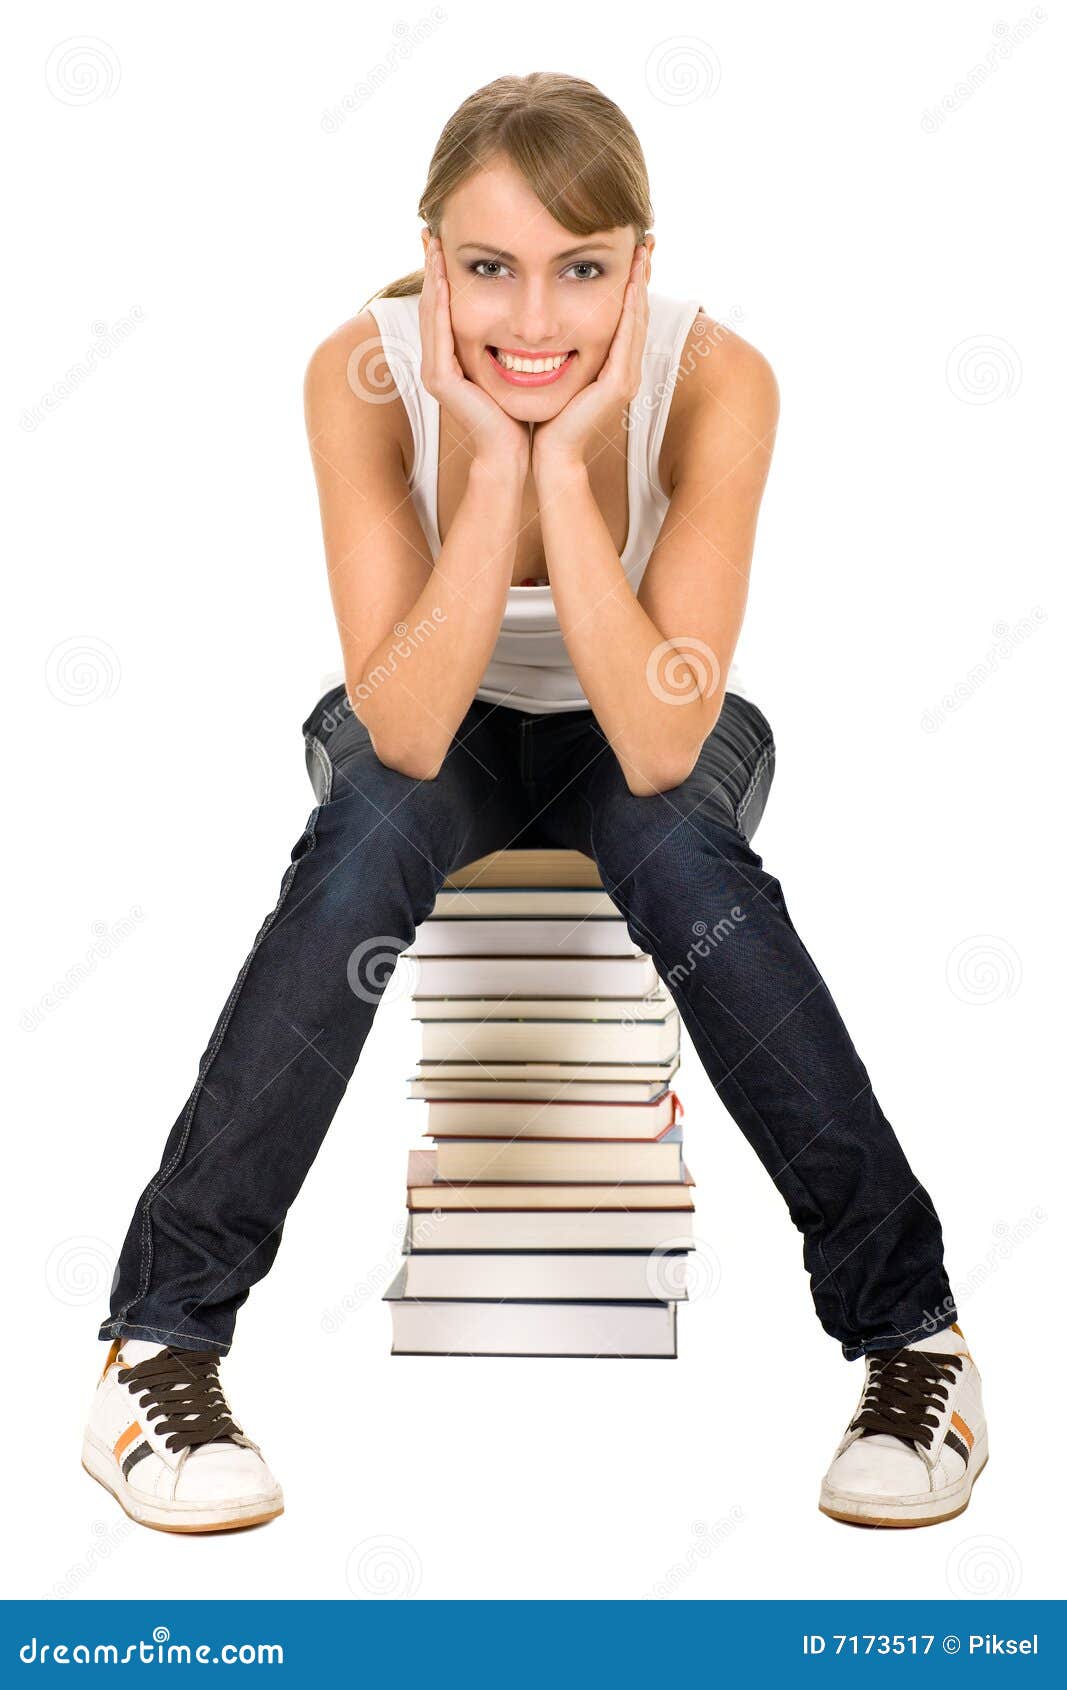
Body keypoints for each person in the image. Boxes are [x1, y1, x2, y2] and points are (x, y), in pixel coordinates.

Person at [83, 72, 987, 1535]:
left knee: (675, 846)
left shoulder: (719, 378)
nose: (532, 321)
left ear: (643, 262)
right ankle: (161, 1342)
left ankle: (913, 1343)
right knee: (370, 835)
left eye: (582, 269)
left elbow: (651, 736)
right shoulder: (358, 373)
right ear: (434, 258)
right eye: (489, 268)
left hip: (643, 716)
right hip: (429, 715)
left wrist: (567, 460)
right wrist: (487, 458)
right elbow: (412, 718)